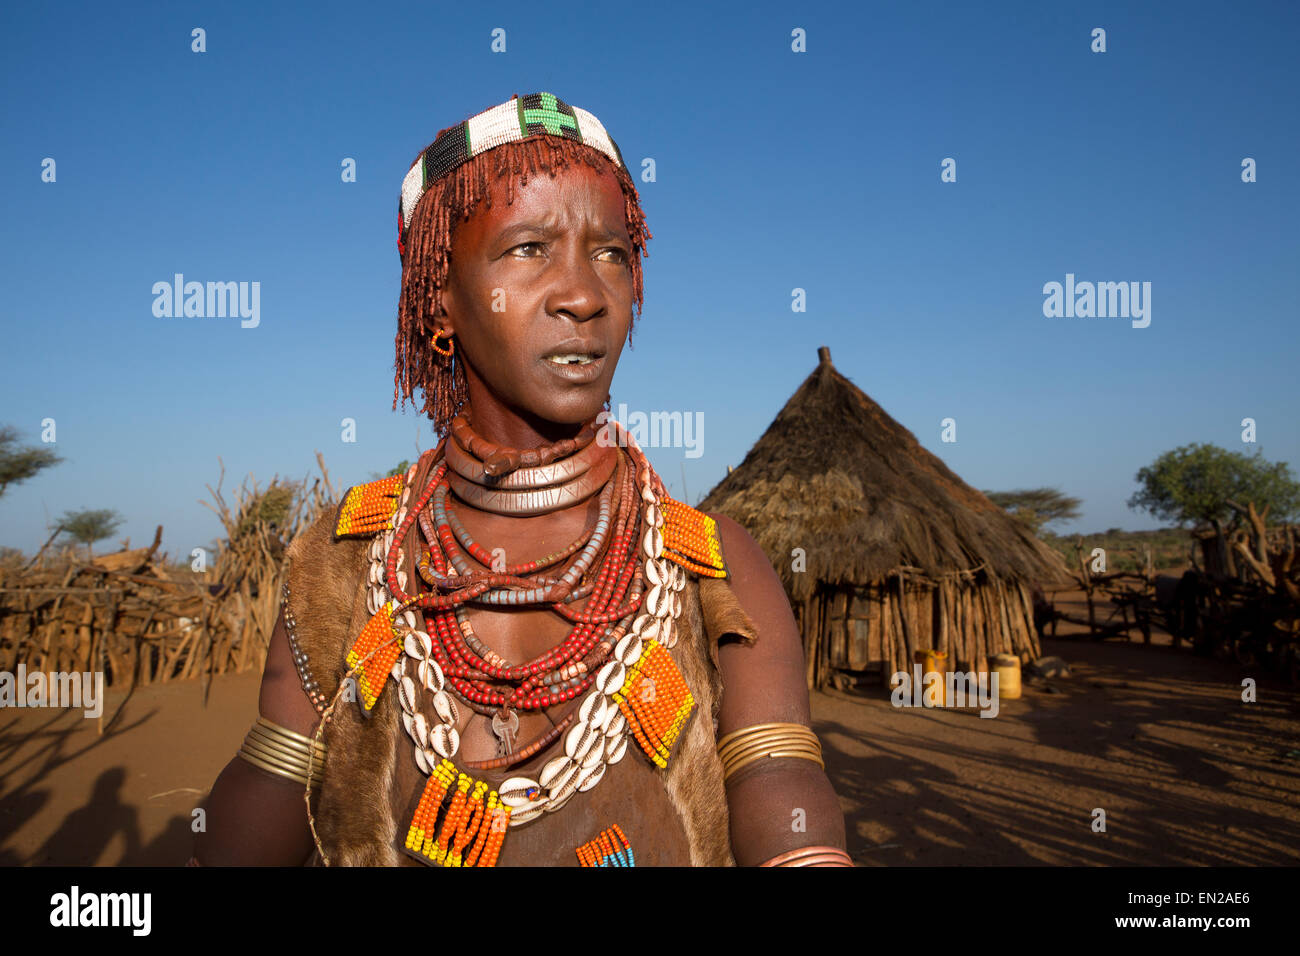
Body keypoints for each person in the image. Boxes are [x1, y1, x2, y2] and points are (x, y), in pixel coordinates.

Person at [193, 92, 848, 867]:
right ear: (441, 302)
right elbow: (269, 789)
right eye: (529, 248)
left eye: (611, 252)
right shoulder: (343, 565)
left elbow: (781, 783)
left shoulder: (708, 561)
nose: (585, 294)